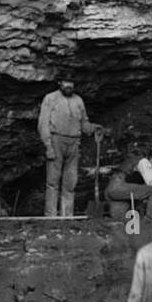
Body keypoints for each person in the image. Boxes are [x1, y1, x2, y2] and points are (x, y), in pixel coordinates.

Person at [38, 77, 103, 217]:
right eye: (66, 82)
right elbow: (43, 124)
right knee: (53, 181)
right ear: (60, 83)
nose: (69, 85)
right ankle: (51, 216)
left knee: (70, 182)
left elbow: (84, 123)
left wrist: (93, 127)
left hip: (74, 142)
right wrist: (48, 146)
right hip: (56, 140)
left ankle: (67, 215)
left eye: (71, 83)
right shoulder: (50, 98)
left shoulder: (78, 100)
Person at [107, 143, 152, 217]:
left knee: (120, 219)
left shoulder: (131, 160)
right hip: (120, 186)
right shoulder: (144, 161)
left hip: (112, 189)